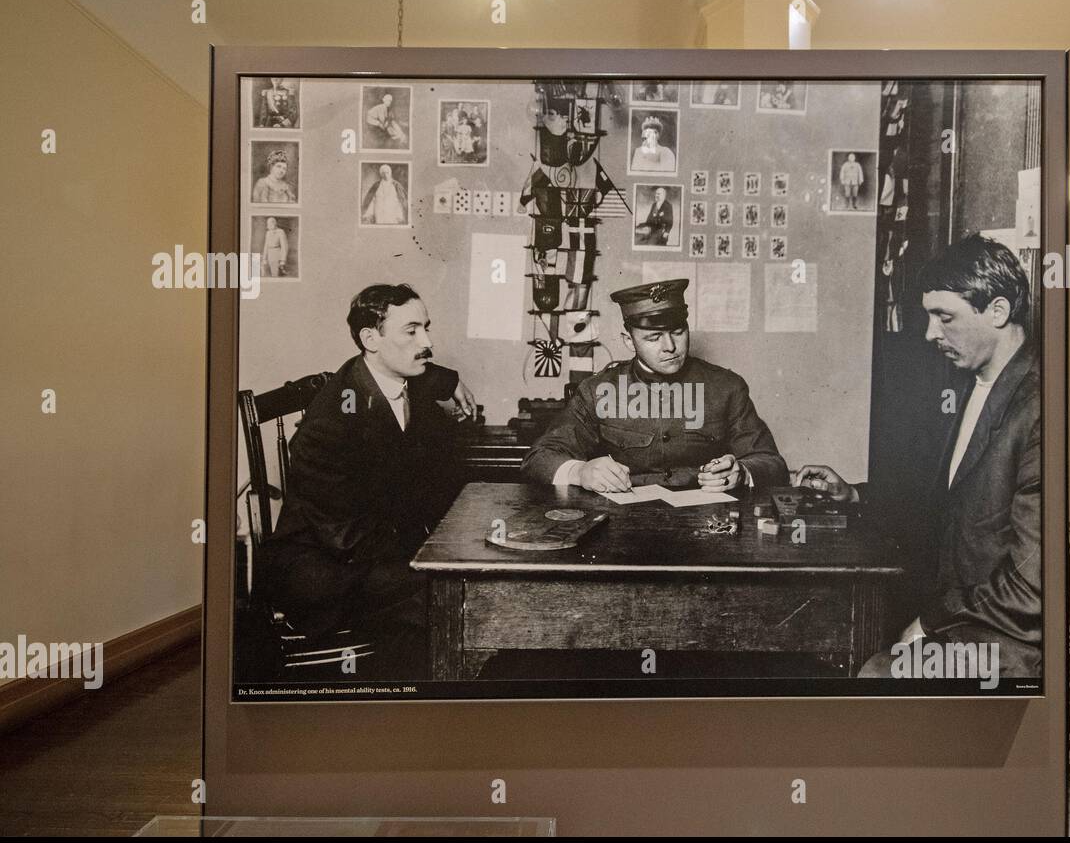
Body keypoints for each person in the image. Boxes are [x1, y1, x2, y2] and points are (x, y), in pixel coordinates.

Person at [796, 235, 1042, 679]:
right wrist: (855, 495)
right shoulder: (970, 383)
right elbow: (947, 504)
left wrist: (932, 621)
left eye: (945, 318)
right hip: (963, 615)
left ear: (999, 312)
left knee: (874, 672)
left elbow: (1031, 586)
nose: (930, 334)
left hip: (1008, 637)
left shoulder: (1039, 409)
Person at [255, 284, 477, 678]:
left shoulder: (386, 375)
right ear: (370, 339)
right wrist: (432, 551)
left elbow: (422, 371)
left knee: (456, 582)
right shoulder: (329, 423)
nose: (427, 341)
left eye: (426, 327)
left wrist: (447, 379)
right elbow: (347, 537)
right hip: (322, 564)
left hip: (368, 547)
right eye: (412, 331)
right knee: (445, 590)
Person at [522, 279, 788, 492]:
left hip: (706, 522)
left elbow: (772, 463)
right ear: (629, 340)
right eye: (653, 337)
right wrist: (580, 472)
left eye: (678, 332)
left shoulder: (727, 387)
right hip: (623, 525)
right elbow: (539, 458)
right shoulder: (597, 390)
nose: (670, 347)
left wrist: (741, 473)